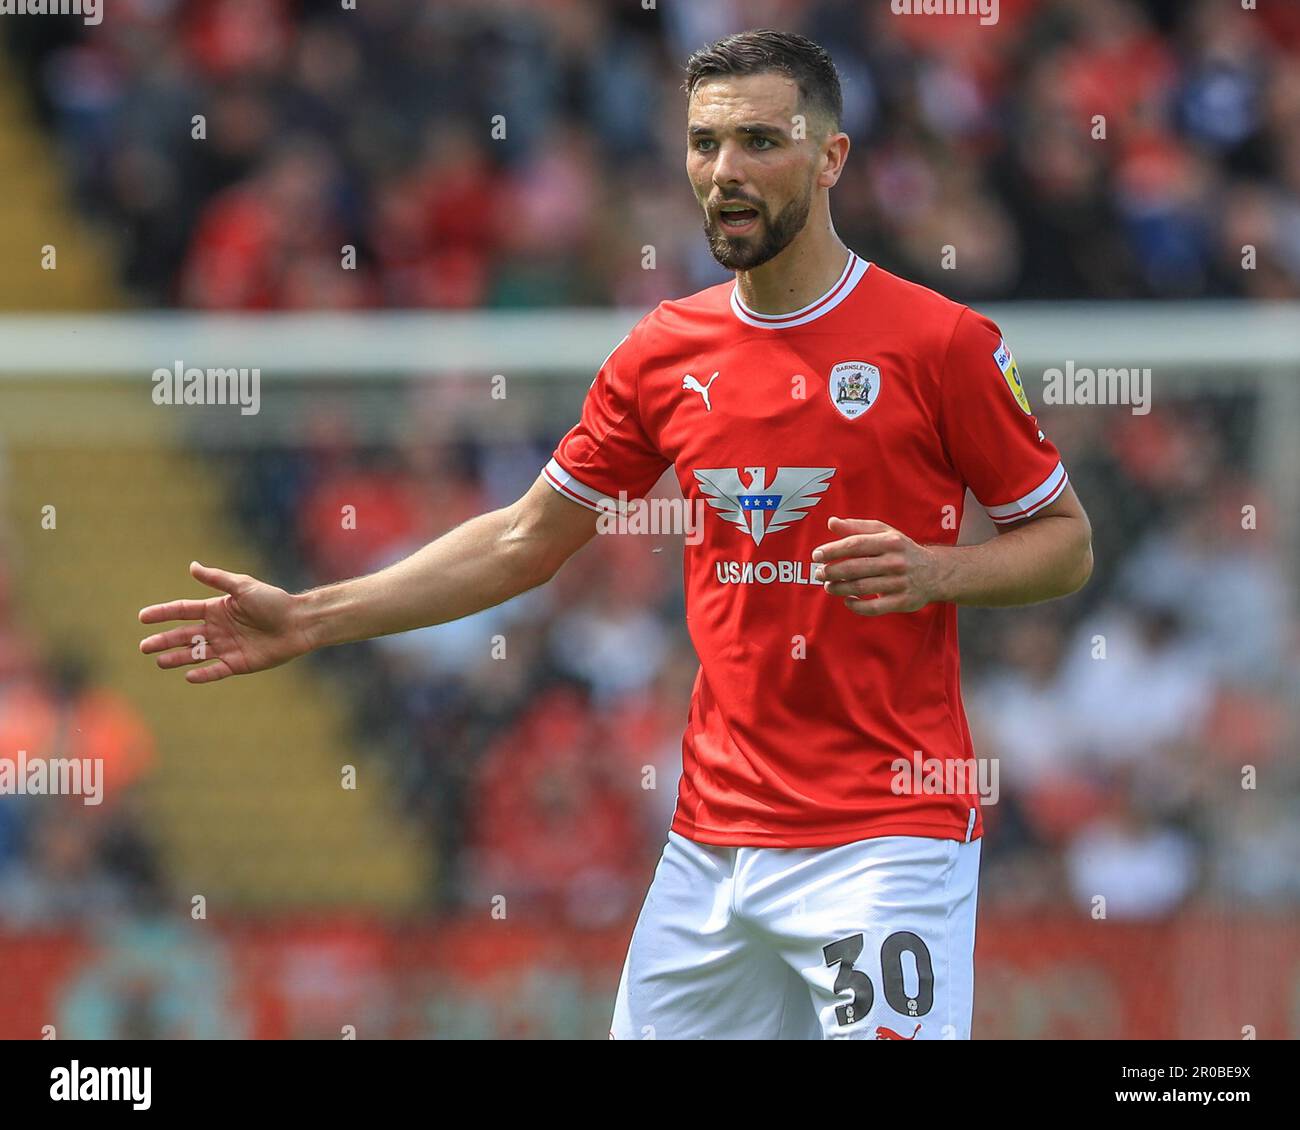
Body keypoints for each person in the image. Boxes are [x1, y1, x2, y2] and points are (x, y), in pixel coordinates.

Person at [139, 29, 1092, 1040]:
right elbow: (523, 540)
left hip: (884, 838)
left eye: (760, 141)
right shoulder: (661, 353)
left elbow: (1063, 542)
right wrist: (312, 617)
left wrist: (934, 568)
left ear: (830, 158)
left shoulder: (938, 342)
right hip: (711, 843)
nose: (724, 172)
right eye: (704, 144)